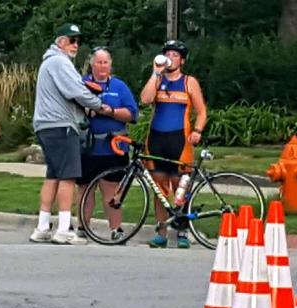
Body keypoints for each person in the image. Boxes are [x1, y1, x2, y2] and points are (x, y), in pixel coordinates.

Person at [29, 23, 111, 245]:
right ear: (60, 41)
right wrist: (100, 105)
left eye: (77, 41)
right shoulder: (59, 62)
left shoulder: (49, 62)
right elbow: (76, 90)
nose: (76, 45)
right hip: (61, 125)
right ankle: (64, 229)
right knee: (68, 177)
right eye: (71, 40)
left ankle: (42, 227)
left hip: (46, 125)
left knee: (53, 176)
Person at [139, 39, 207, 249]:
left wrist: (197, 131)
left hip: (180, 139)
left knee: (180, 186)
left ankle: (182, 230)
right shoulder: (158, 80)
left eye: (175, 55)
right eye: (168, 54)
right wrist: (155, 73)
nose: (170, 58)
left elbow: (202, 111)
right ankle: (161, 231)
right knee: (159, 187)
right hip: (156, 139)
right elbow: (145, 99)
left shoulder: (189, 82)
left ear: (182, 60)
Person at [77, 47, 138, 242]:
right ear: (92, 64)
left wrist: (109, 111)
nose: (102, 66)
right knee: (85, 189)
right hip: (87, 146)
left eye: (106, 62)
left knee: (111, 190)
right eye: (99, 62)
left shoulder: (119, 86)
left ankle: (116, 229)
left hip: (113, 147)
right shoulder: (81, 84)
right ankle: (81, 227)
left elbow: (132, 114)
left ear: (110, 64)